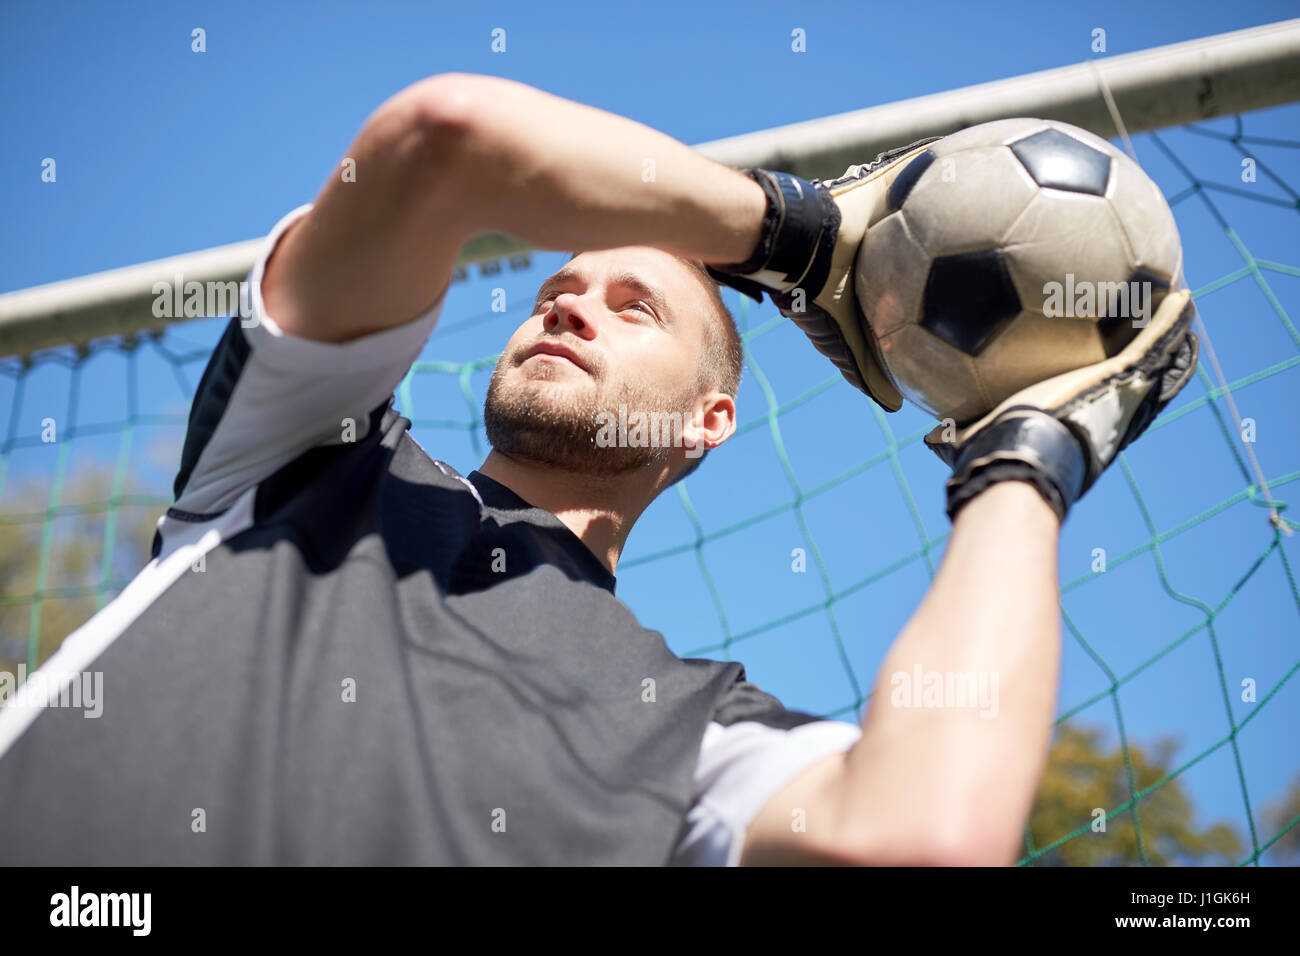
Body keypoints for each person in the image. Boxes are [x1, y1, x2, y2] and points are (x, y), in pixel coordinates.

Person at [0, 73, 1196, 865]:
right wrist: (792, 235)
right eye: (555, 289)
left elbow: (922, 835)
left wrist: (1028, 461)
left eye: (635, 307)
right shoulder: (305, 456)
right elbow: (441, 143)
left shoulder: (692, 728)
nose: (569, 307)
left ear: (707, 420)